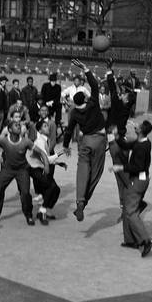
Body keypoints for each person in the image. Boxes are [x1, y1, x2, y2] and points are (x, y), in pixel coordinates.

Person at [61, 59, 109, 222]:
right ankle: (84, 202)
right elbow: (95, 86)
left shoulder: (74, 112)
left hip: (85, 142)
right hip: (99, 139)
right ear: (86, 99)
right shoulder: (93, 104)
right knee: (95, 173)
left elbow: (68, 131)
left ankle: (79, 201)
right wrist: (86, 69)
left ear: (76, 101)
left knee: (82, 171)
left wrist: (66, 145)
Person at [110, 120, 152, 257]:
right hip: (138, 180)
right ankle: (130, 240)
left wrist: (121, 167)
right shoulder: (141, 141)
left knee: (130, 211)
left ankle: (145, 240)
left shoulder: (142, 146)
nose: (135, 126)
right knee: (127, 207)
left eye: (138, 126)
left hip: (137, 181)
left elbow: (138, 166)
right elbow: (125, 144)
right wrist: (117, 136)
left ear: (141, 131)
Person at [28, 119, 66, 225]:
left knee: (56, 189)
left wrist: (58, 163)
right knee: (52, 187)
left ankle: (44, 209)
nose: (47, 127)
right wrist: (60, 153)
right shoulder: (40, 141)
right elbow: (47, 159)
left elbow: (46, 158)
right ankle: (42, 211)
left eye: (47, 126)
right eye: (45, 126)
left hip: (41, 168)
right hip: (35, 169)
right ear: (39, 130)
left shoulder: (45, 140)